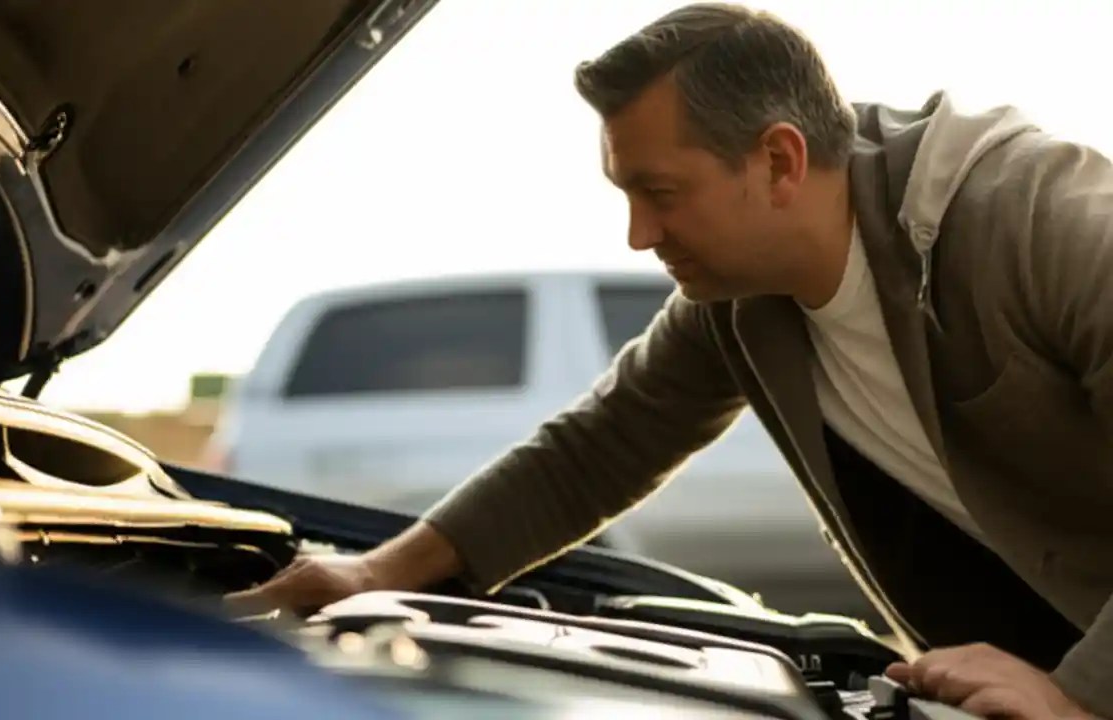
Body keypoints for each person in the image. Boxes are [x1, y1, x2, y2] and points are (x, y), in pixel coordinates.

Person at [227, 4, 1113, 717]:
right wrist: (375, 573)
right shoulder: (737, 304)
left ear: (779, 160)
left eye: (659, 193)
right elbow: (599, 448)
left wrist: (1077, 696)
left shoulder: (1033, 219)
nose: (639, 234)